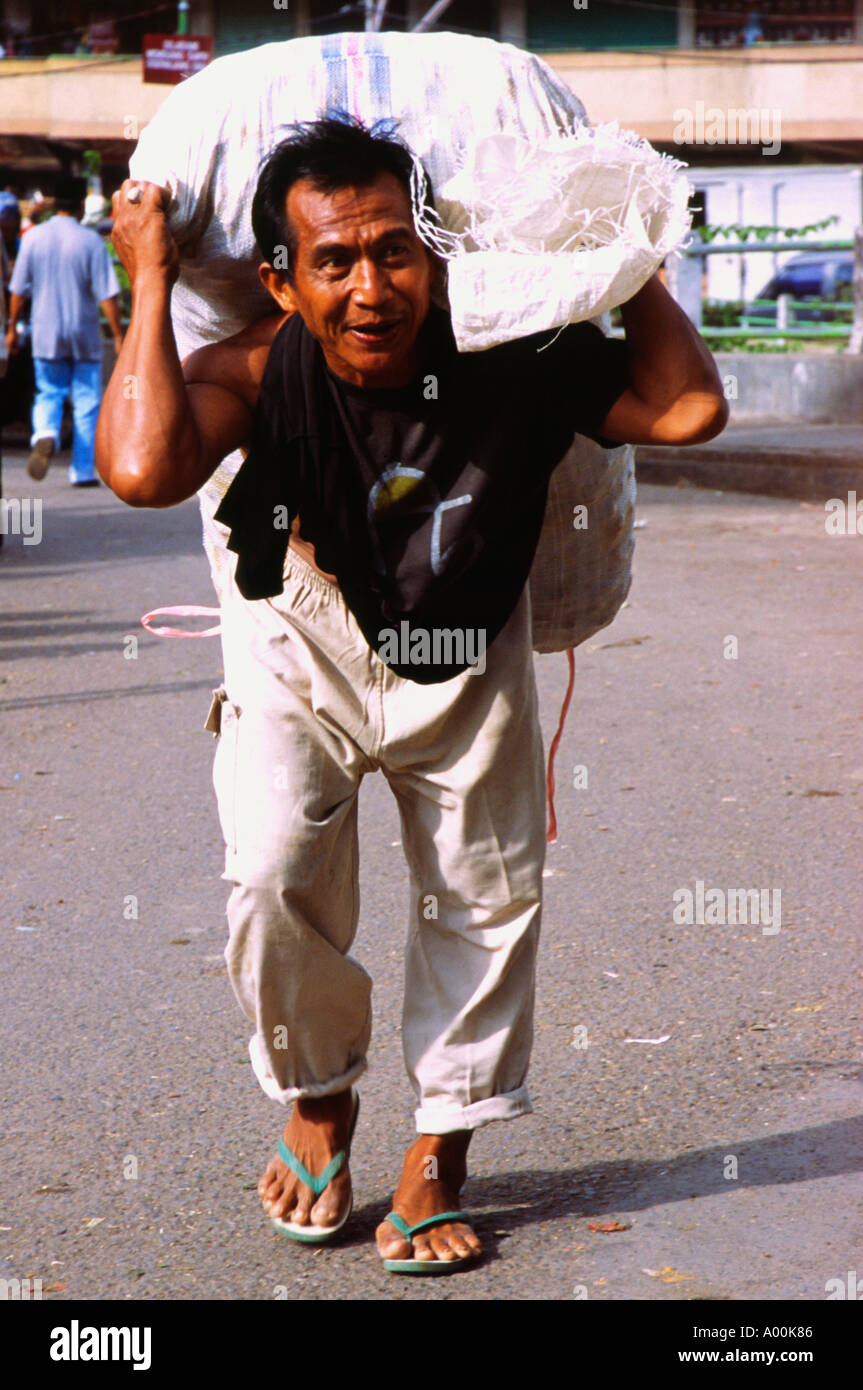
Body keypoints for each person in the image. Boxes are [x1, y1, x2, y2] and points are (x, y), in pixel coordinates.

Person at [96, 117, 727, 1274]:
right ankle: (319, 1096)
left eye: (394, 251)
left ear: (434, 257)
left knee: (482, 896)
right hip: (303, 622)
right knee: (275, 863)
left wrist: (624, 258)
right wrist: (150, 274)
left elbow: (686, 410)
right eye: (333, 261)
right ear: (281, 282)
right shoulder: (260, 364)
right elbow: (141, 469)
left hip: (470, 633)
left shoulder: (513, 353)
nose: (370, 287)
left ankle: (439, 1150)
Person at [6, 175, 124, 486]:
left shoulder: (33, 238)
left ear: (54, 203)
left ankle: (45, 432)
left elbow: (18, 290)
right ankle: (82, 470)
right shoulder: (90, 241)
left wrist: (11, 328)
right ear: (82, 205)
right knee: (87, 401)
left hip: (45, 330)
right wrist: (119, 335)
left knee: (49, 391)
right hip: (83, 332)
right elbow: (108, 295)